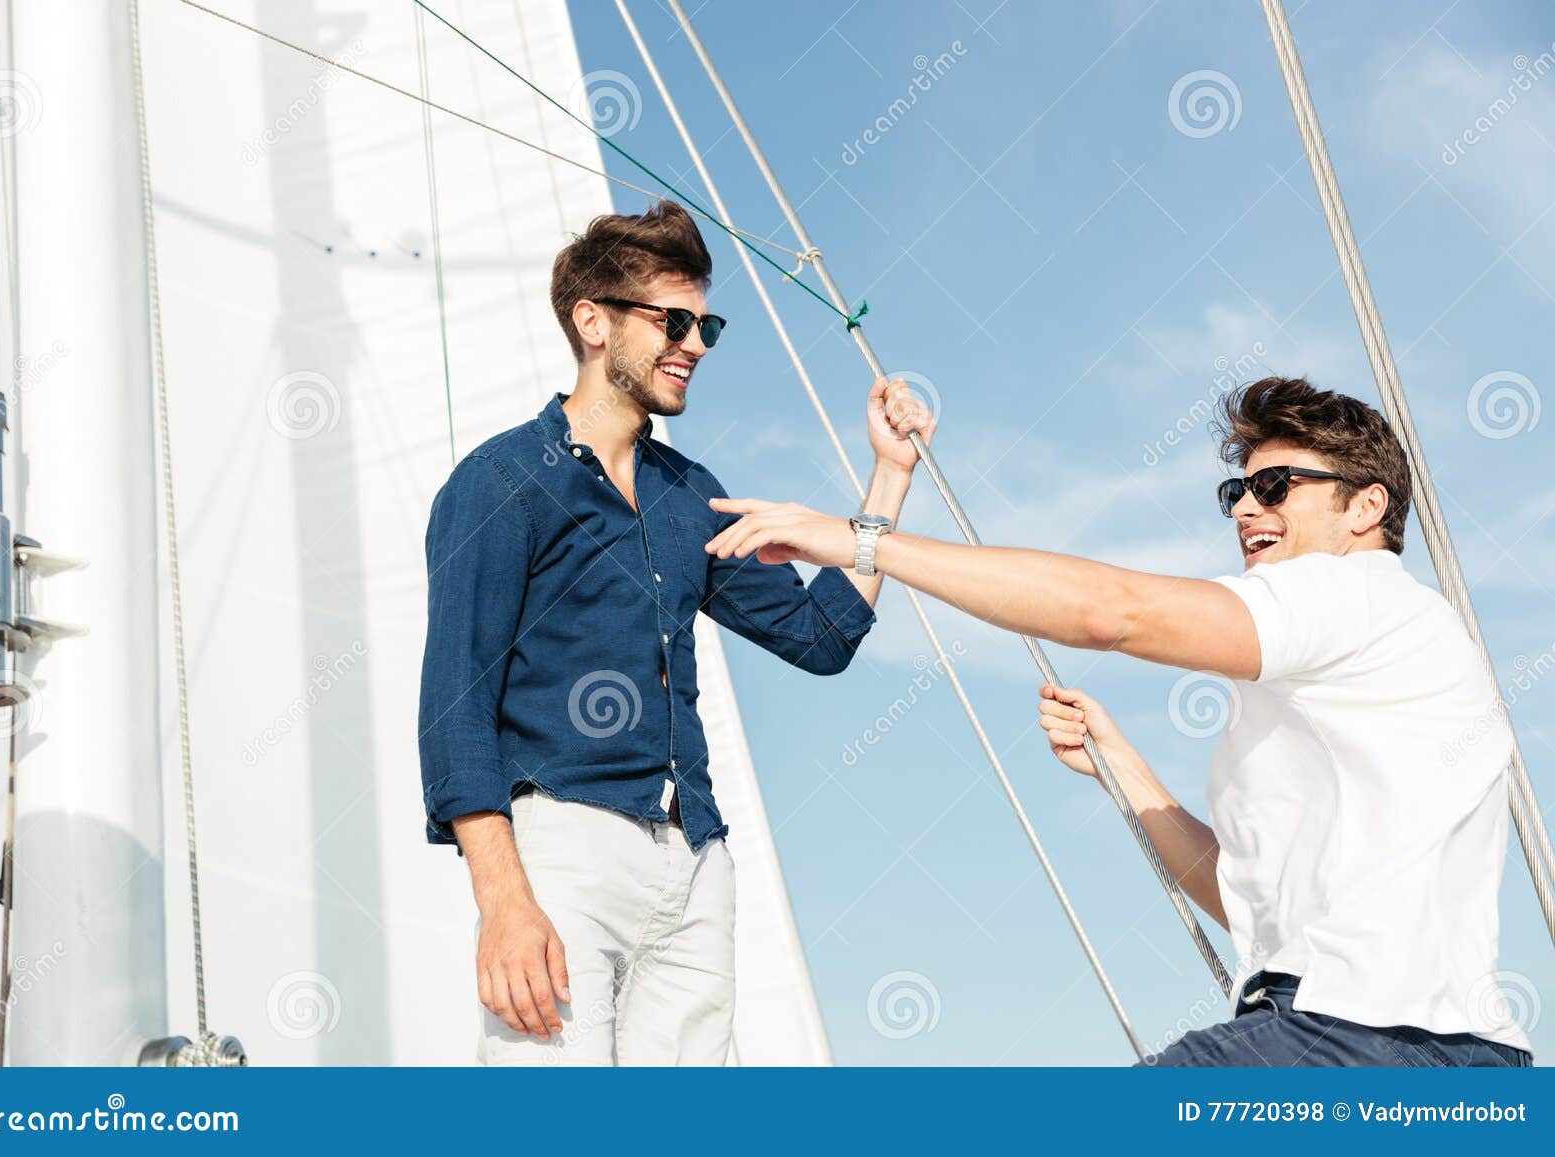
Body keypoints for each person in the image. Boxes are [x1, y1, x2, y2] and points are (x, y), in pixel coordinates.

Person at [705, 375, 1533, 1067]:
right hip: (1427, 1053)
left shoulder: (1356, 595)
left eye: (1276, 485)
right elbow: (1245, 898)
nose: (1247, 506)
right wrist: (1122, 763)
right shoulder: (1360, 657)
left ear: (1366, 509)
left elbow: (1111, 612)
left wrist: (860, 541)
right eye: (1235, 489)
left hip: (1362, 1042)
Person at [417, 199, 933, 1065]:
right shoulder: (501, 479)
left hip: (694, 858)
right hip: (563, 849)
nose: (696, 343)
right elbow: (454, 704)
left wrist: (888, 477)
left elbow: (819, 635)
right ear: (593, 321)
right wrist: (504, 899)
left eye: (707, 324)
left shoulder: (690, 493)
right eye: (674, 320)